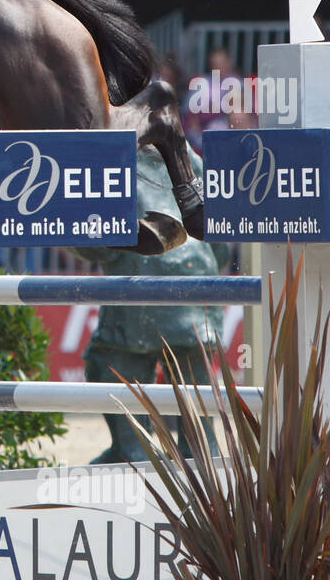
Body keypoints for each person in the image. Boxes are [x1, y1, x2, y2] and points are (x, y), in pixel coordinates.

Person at [72, 146, 230, 465]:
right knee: (196, 398)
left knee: (111, 358)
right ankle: (203, 453)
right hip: (197, 289)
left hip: (140, 289)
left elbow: (92, 243)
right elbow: (220, 243)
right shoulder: (187, 156)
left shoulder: (108, 164)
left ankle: (134, 450)